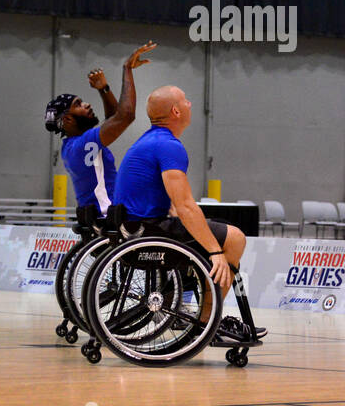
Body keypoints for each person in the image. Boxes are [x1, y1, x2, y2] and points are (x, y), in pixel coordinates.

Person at [113, 85, 264, 338]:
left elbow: (169, 200)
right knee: (235, 238)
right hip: (148, 232)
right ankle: (207, 323)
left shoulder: (148, 140)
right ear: (175, 111)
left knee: (205, 228)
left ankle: (198, 309)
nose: (190, 104)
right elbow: (184, 205)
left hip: (133, 228)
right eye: (185, 100)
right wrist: (215, 250)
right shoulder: (169, 146)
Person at [43, 42, 156, 214]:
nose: (87, 105)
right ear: (67, 119)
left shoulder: (72, 146)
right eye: (78, 104)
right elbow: (125, 116)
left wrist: (104, 89)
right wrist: (127, 69)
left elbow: (112, 120)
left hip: (102, 219)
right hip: (109, 220)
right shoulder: (83, 144)